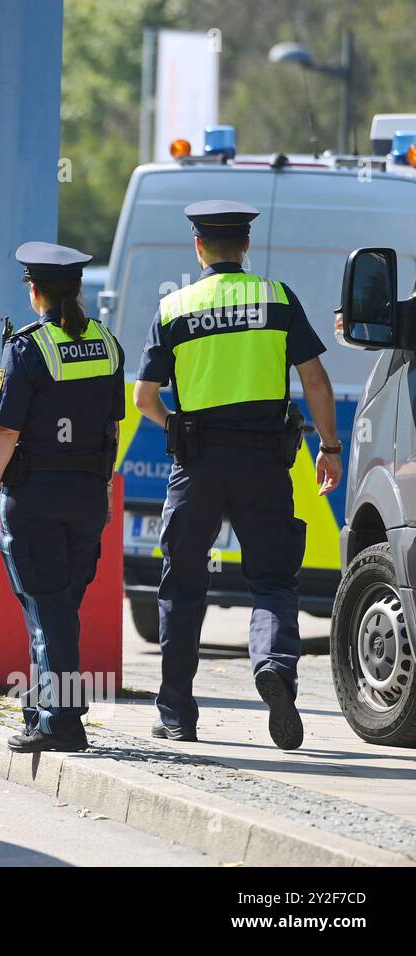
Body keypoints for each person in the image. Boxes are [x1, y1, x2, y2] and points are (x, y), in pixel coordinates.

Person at [132, 200, 343, 751]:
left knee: (182, 585)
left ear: (198, 248)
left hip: (197, 464)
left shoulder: (174, 307)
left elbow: (144, 397)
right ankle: (273, 666)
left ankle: (177, 712)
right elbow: (316, 379)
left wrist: (174, 426)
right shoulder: (276, 298)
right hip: (263, 462)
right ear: (245, 247)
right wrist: (329, 445)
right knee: (273, 580)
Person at [0, 242, 125, 753]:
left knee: (47, 608)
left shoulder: (25, 348)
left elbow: (3, 433)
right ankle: (41, 709)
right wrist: (103, 488)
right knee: (60, 607)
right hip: (85, 495)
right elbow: (113, 428)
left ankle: (61, 720)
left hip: (35, 496)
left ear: (34, 290)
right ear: (78, 289)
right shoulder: (108, 344)